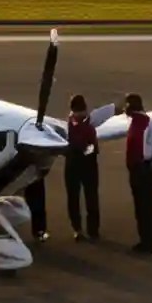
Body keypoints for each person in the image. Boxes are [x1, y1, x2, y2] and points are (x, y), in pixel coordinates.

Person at [124, 92, 152, 254]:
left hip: (145, 170)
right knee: (141, 208)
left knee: (146, 207)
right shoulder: (137, 123)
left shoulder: (149, 124)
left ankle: (148, 243)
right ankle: (145, 240)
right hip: (139, 170)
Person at [64, 94, 100, 242]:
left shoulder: (71, 126)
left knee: (79, 197)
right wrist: (87, 150)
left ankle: (82, 229)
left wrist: (84, 150)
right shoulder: (87, 126)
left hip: (75, 163)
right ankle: (88, 229)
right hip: (85, 163)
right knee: (86, 197)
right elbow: (93, 147)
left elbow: (92, 147)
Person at [23, 174, 49, 243]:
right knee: (37, 202)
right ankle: (40, 230)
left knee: (36, 202)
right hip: (33, 175)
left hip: (31, 176)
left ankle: (39, 230)